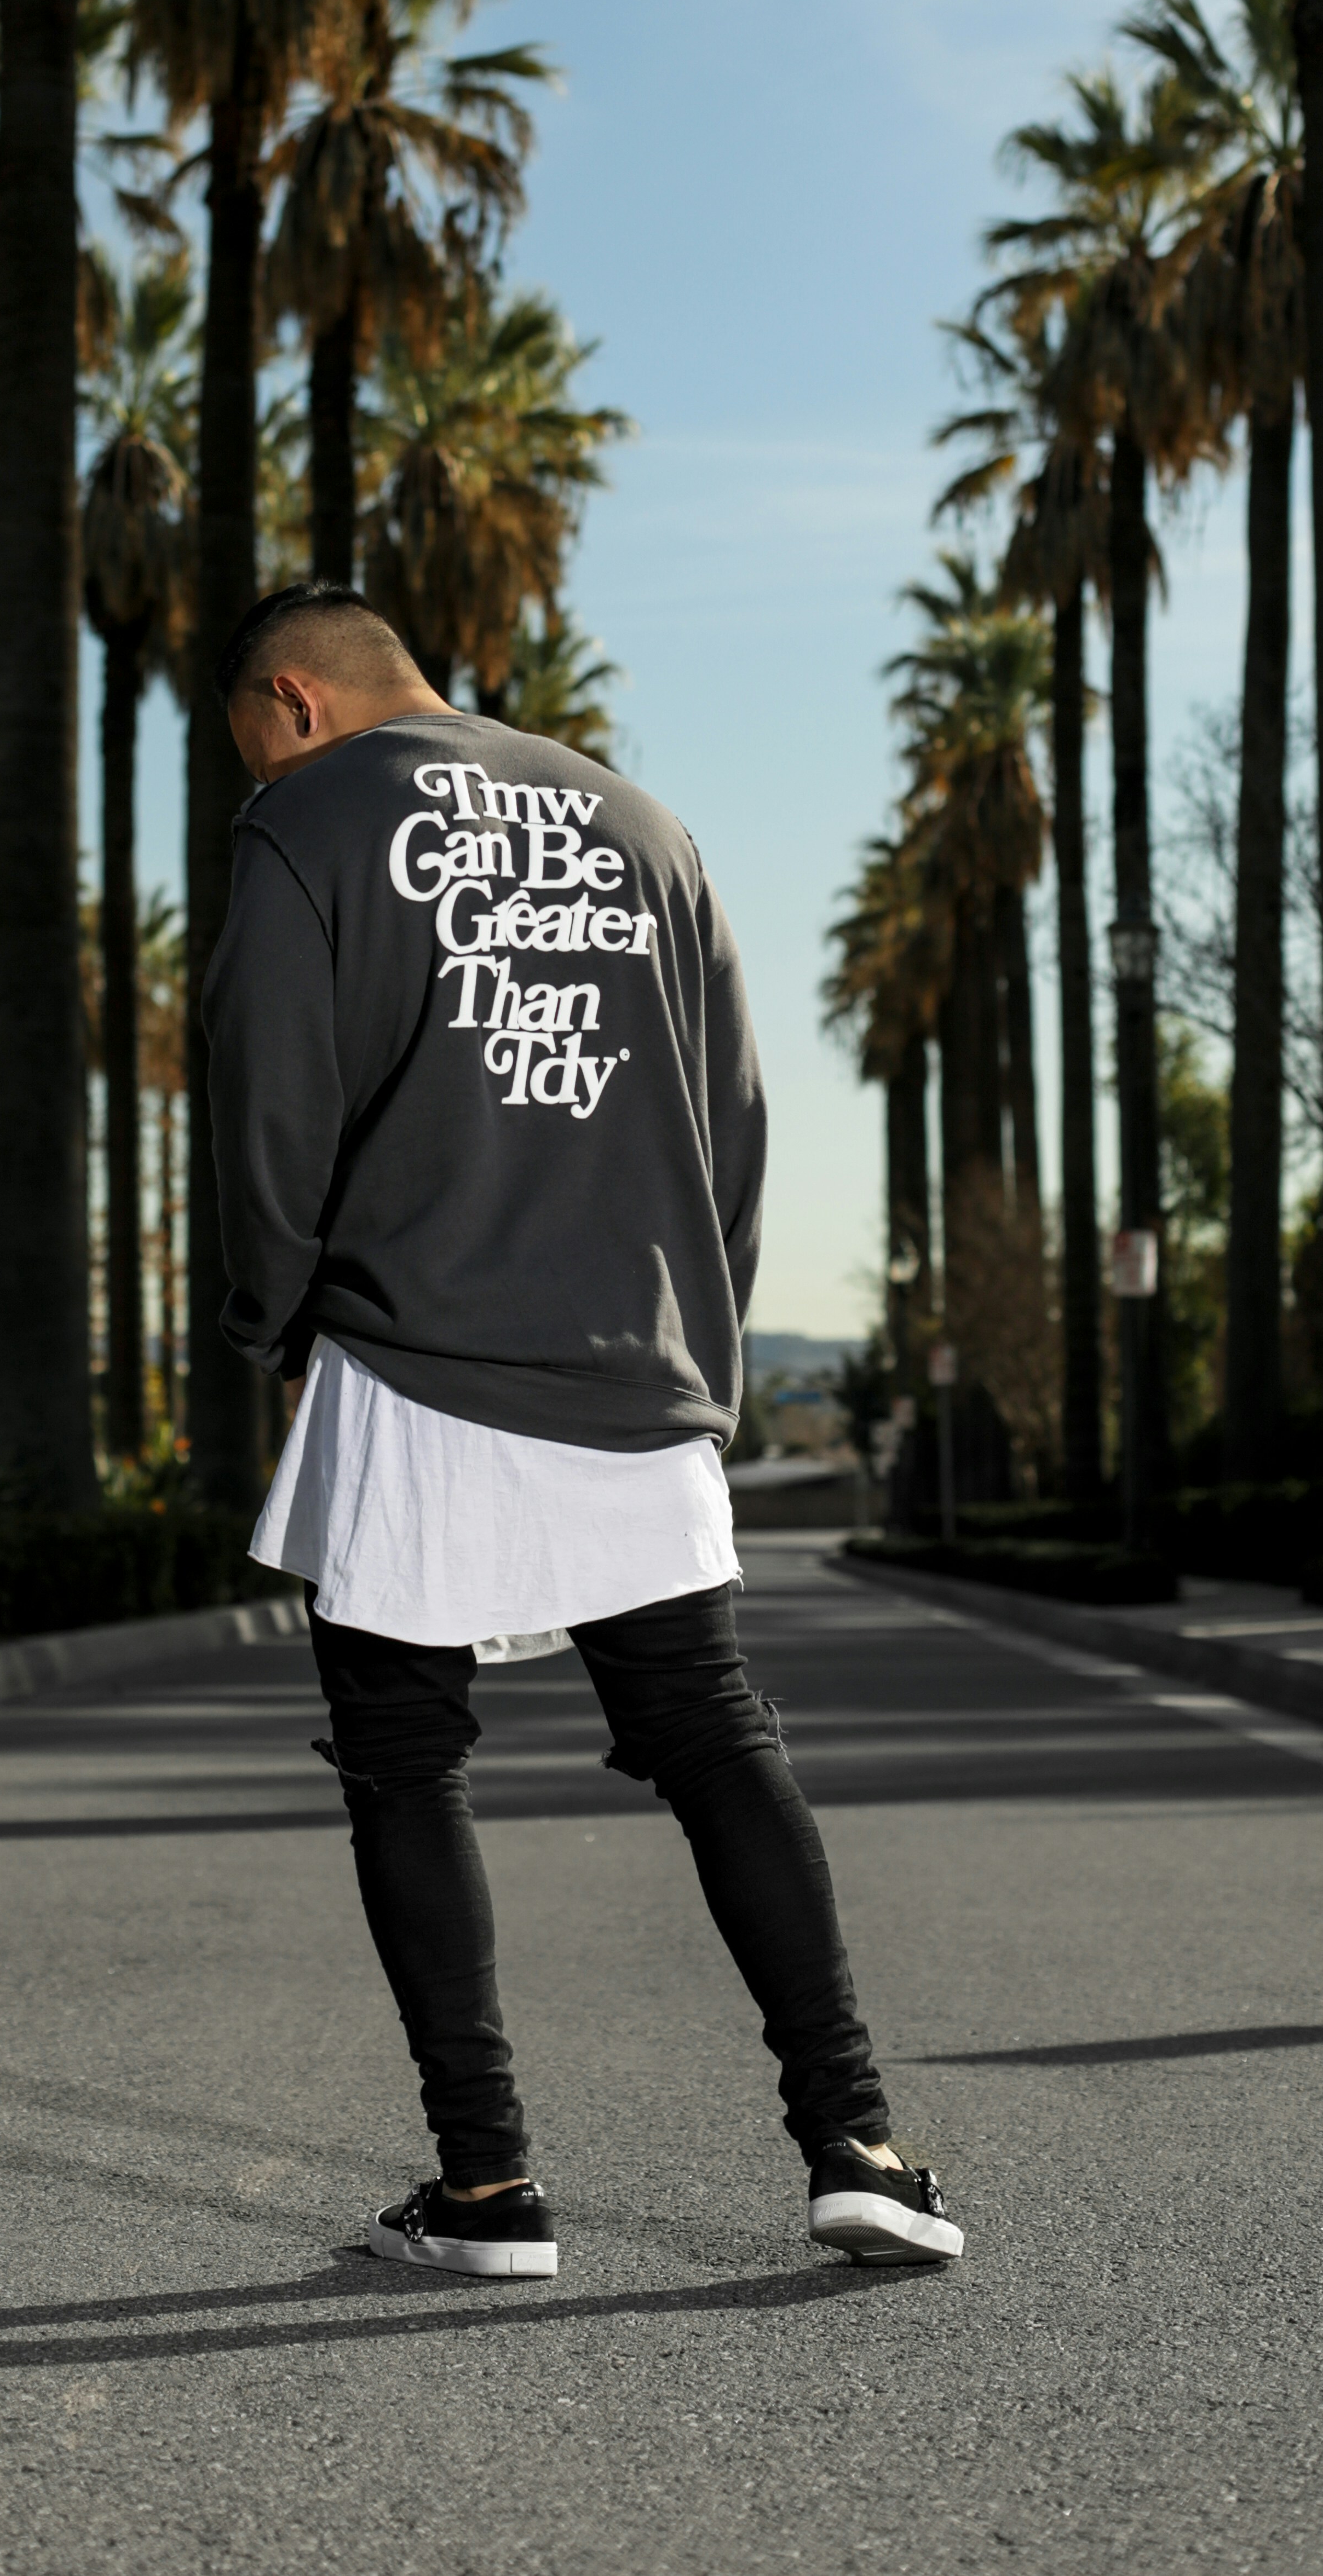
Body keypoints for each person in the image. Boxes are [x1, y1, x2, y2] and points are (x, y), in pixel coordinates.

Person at [202, 582, 964, 2281]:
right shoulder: (641, 818)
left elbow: (269, 1094)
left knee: (406, 1758)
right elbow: (737, 1113)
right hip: (633, 1352)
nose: (246, 766)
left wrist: (267, 1318)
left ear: (293, 703)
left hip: (411, 1352)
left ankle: (489, 2190)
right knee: (711, 1731)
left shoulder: (304, 820)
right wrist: (703, 1324)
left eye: (244, 734)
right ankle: (861, 2146)